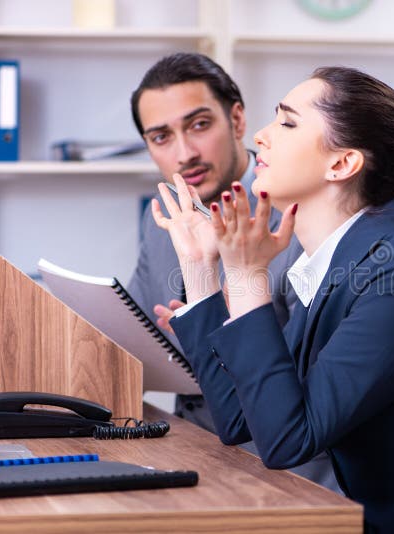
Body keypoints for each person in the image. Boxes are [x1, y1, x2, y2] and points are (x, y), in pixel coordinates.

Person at [152, 66, 394, 533]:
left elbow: (287, 442)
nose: (261, 136)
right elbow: (241, 420)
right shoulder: (335, 271)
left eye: (287, 122)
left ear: (341, 164)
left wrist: (246, 276)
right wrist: (201, 270)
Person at [126, 53, 336, 492]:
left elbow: (319, 375)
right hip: (195, 446)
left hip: (288, 466)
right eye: (161, 137)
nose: (185, 153)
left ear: (237, 119)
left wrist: (215, 321)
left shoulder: (301, 209)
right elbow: (138, 333)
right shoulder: (163, 217)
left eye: (200, 125)